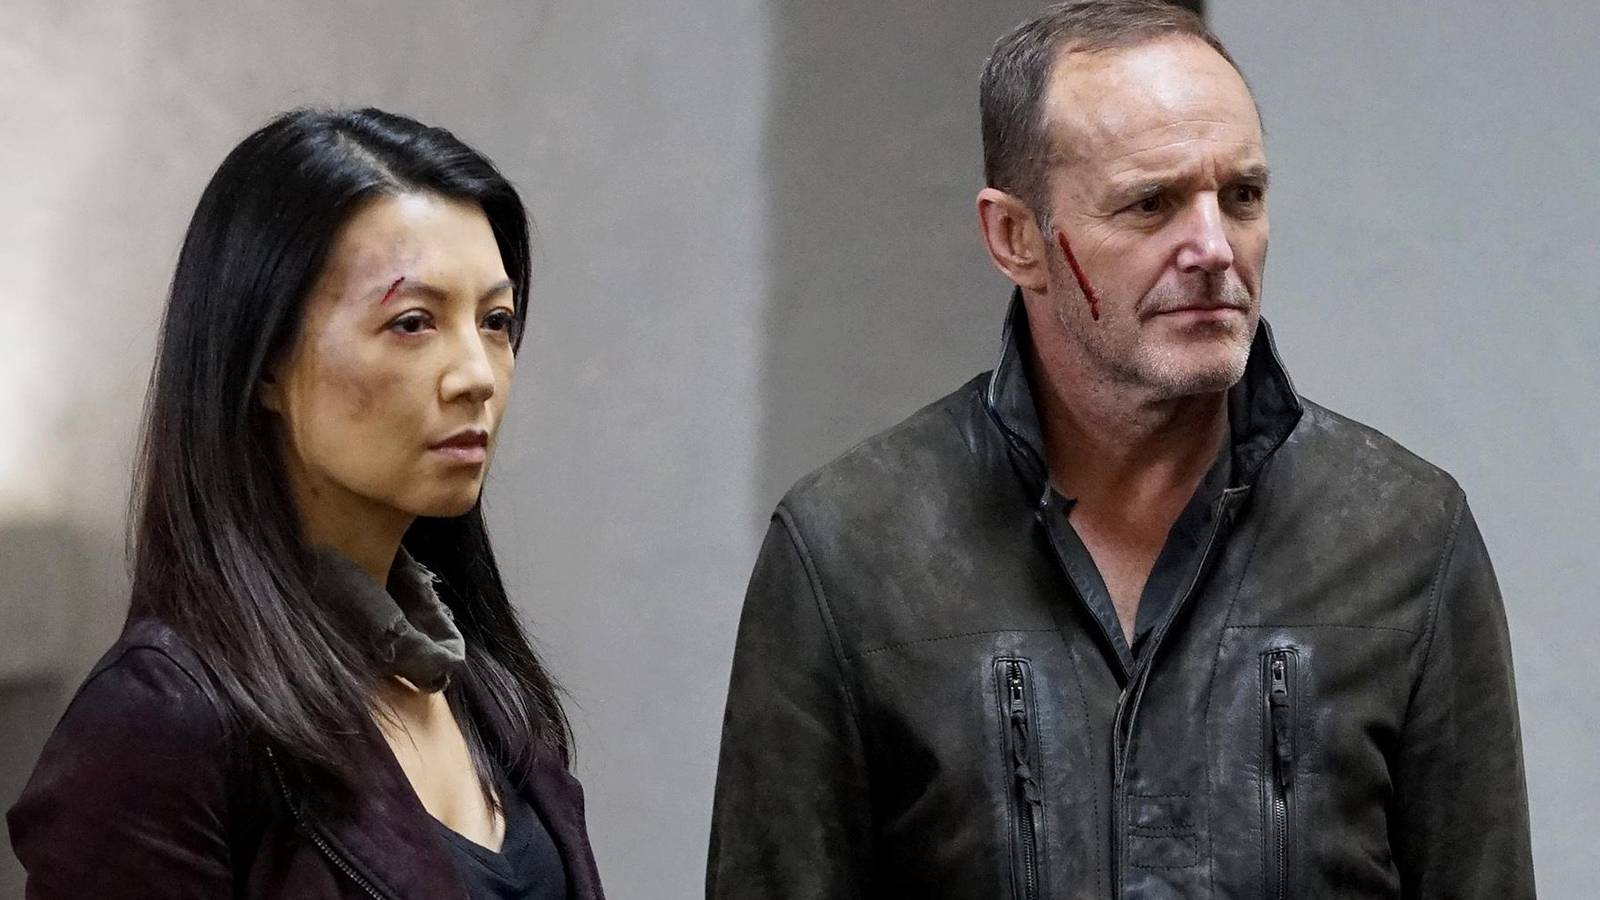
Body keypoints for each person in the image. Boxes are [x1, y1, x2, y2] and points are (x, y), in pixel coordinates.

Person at [706, 2, 1534, 897]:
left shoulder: (1405, 536)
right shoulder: (851, 553)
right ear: (1015, 238)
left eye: (1242, 196)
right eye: (1151, 203)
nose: (1213, 249)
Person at [7, 108, 604, 899]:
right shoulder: (164, 722)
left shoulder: (487, 688)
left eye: (496, 321)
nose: (476, 375)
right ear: (265, 361)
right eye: (412, 322)